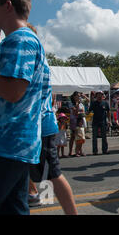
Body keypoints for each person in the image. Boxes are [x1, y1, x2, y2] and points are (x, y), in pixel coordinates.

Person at [0, 0, 48, 215]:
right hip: (9, 145)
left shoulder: (21, 40)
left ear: (8, 6)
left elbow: (13, 92)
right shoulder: (16, 41)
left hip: (2, 144)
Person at [29, 87, 78, 215]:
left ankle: (35, 194)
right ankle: (32, 193)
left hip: (38, 126)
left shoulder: (33, 67)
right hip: (27, 127)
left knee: (52, 175)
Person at [88, 91, 111, 155]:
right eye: (98, 95)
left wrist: (109, 120)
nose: (99, 96)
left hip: (103, 121)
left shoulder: (105, 103)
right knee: (94, 137)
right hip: (95, 122)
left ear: (102, 95)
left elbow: (108, 112)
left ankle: (105, 150)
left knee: (104, 137)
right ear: (96, 96)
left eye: (101, 94)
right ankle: (95, 151)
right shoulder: (93, 103)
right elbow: (89, 111)